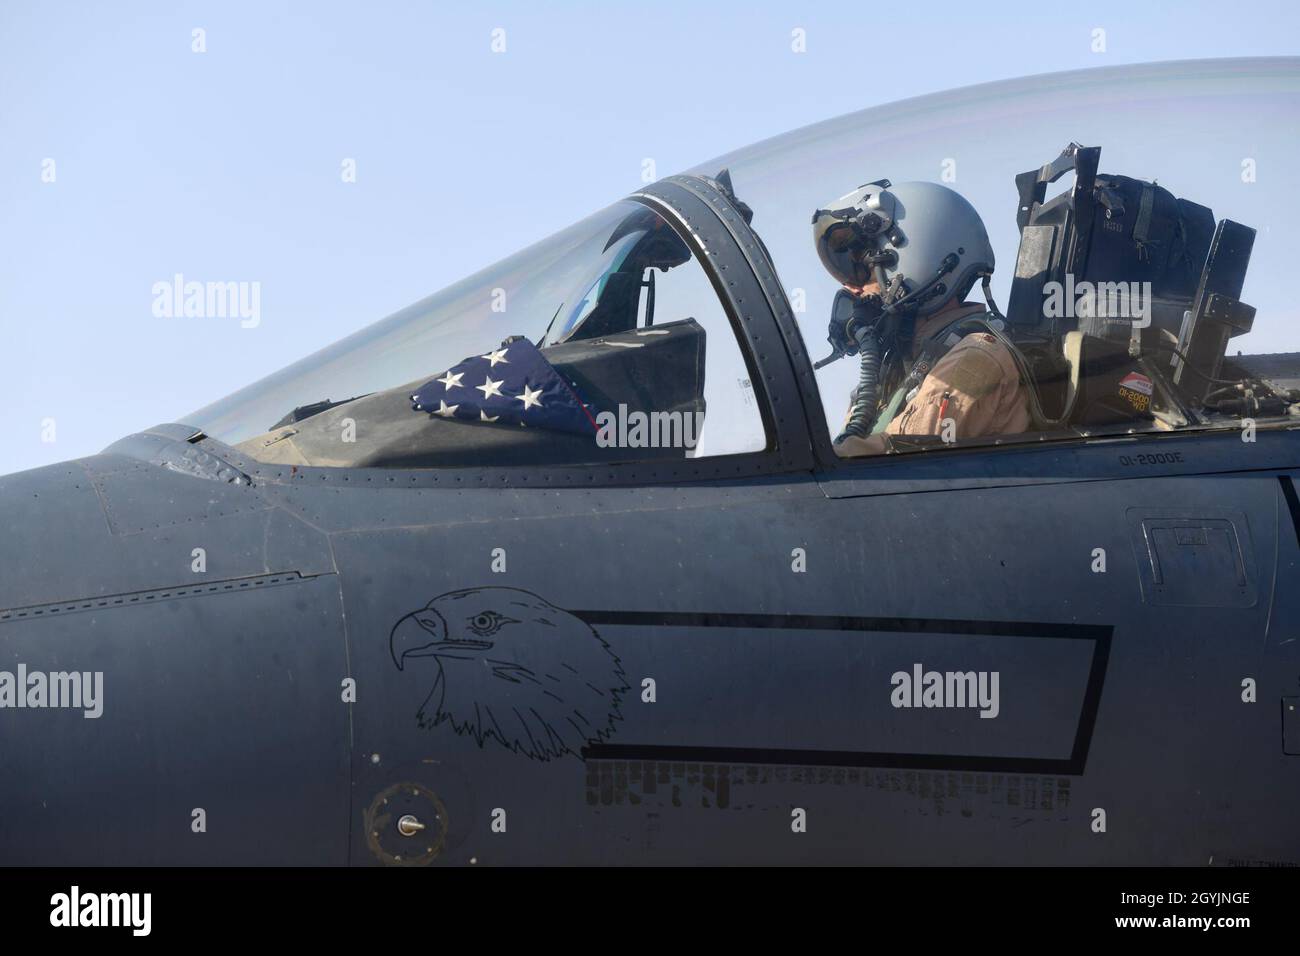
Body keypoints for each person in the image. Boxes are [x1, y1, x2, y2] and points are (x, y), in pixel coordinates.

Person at [811, 180, 1030, 456]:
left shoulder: (974, 358)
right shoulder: (898, 365)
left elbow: (899, 460)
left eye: (861, 270)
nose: (851, 289)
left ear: (917, 258)